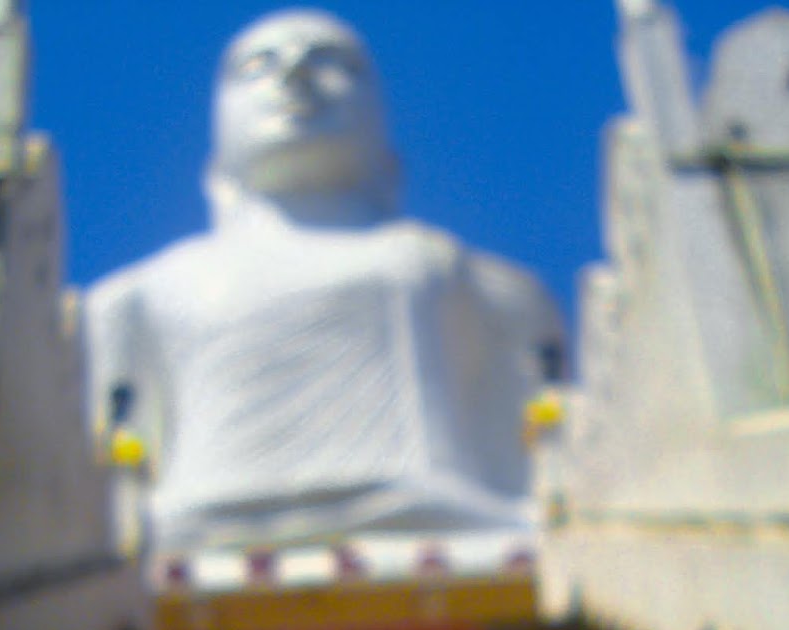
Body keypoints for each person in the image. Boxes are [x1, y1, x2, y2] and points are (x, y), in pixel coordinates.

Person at [85, 9, 565, 555]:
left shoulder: (472, 280)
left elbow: (533, 442)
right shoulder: (139, 296)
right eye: (257, 66)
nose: (294, 77)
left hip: (435, 520)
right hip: (190, 529)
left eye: (331, 63)